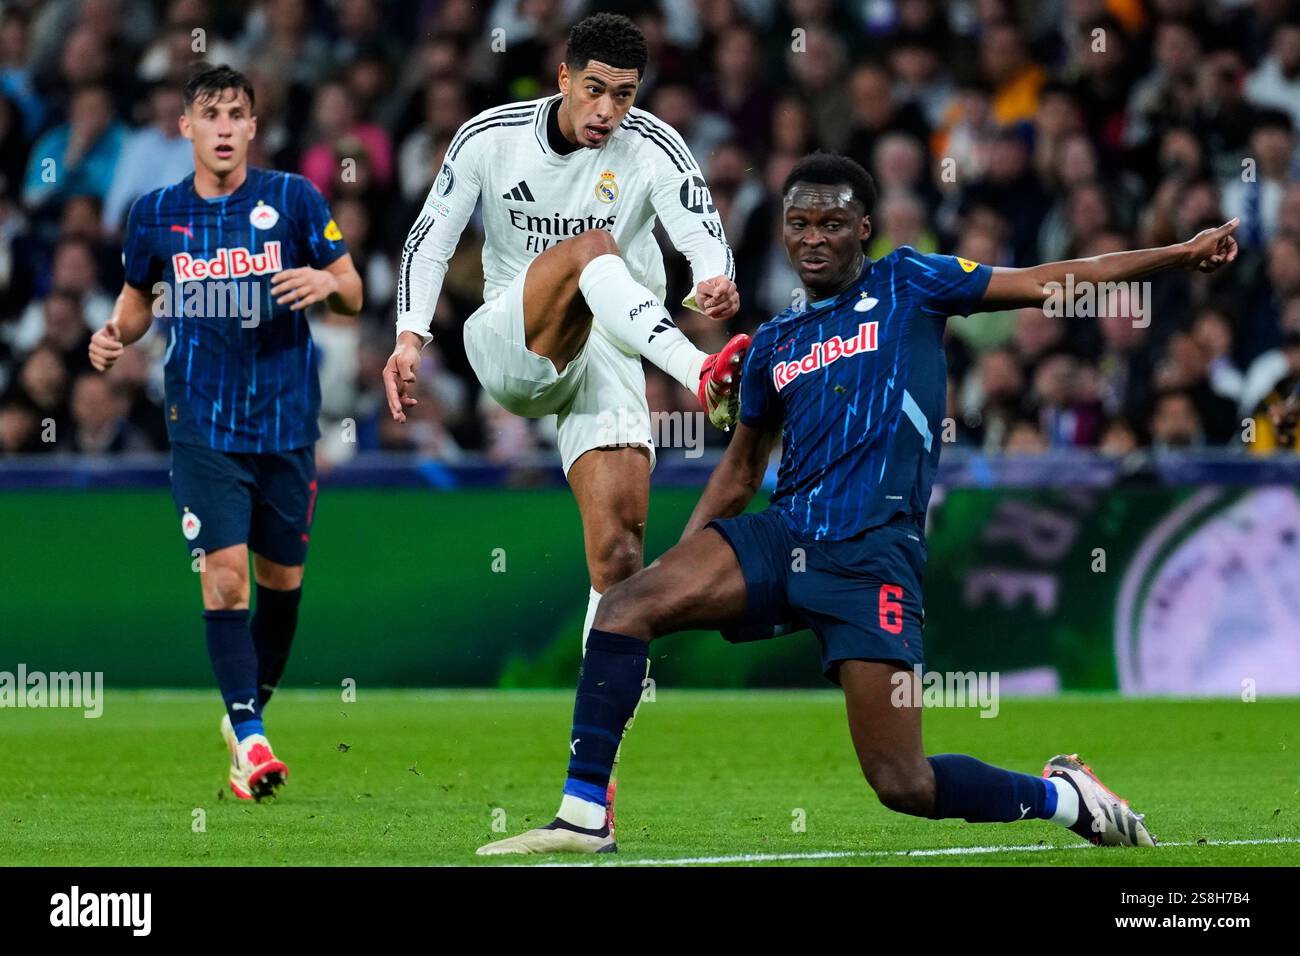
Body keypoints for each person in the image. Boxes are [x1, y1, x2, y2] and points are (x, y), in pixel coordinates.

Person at [477, 152, 1240, 854]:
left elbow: (1045, 280)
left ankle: (1063, 798)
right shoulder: (775, 341)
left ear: (864, 230)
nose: (814, 239)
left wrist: (1177, 254)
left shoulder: (910, 281)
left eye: (833, 223)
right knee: (624, 606)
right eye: (800, 224)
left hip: (873, 557)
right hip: (786, 536)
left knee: (903, 784)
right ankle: (585, 815)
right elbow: (741, 473)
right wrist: (683, 564)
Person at [384, 13, 748, 831]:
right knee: (590, 249)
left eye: (623, 95)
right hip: (514, 336)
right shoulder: (491, 138)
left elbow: (697, 226)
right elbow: (431, 236)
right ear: (562, 77)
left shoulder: (654, 144)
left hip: (613, 353)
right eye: (595, 91)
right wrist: (410, 334)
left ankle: (590, 794)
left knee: (620, 561)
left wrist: (716, 279)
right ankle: (705, 377)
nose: (608, 112)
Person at [87, 64, 363, 801]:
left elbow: (355, 291)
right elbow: (138, 297)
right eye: (209, 114)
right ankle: (251, 735)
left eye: (236, 114)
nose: (223, 127)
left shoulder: (293, 198)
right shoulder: (155, 213)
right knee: (225, 574)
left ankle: (245, 724)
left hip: (284, 421)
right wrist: (115, 332)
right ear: (186, 126)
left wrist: (328, 283)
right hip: (201, 421)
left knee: (282, 588)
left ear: (251, 126)